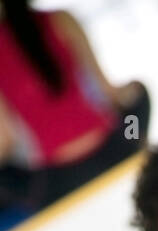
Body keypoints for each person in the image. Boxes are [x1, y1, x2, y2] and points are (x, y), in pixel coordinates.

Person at [0, 1, 149, 214]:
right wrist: (137, 89)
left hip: (58, 182)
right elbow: (111, 94)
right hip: (115, 149)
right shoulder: (61, 18)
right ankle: (137, 147)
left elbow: (6, 141)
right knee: (136, 107)